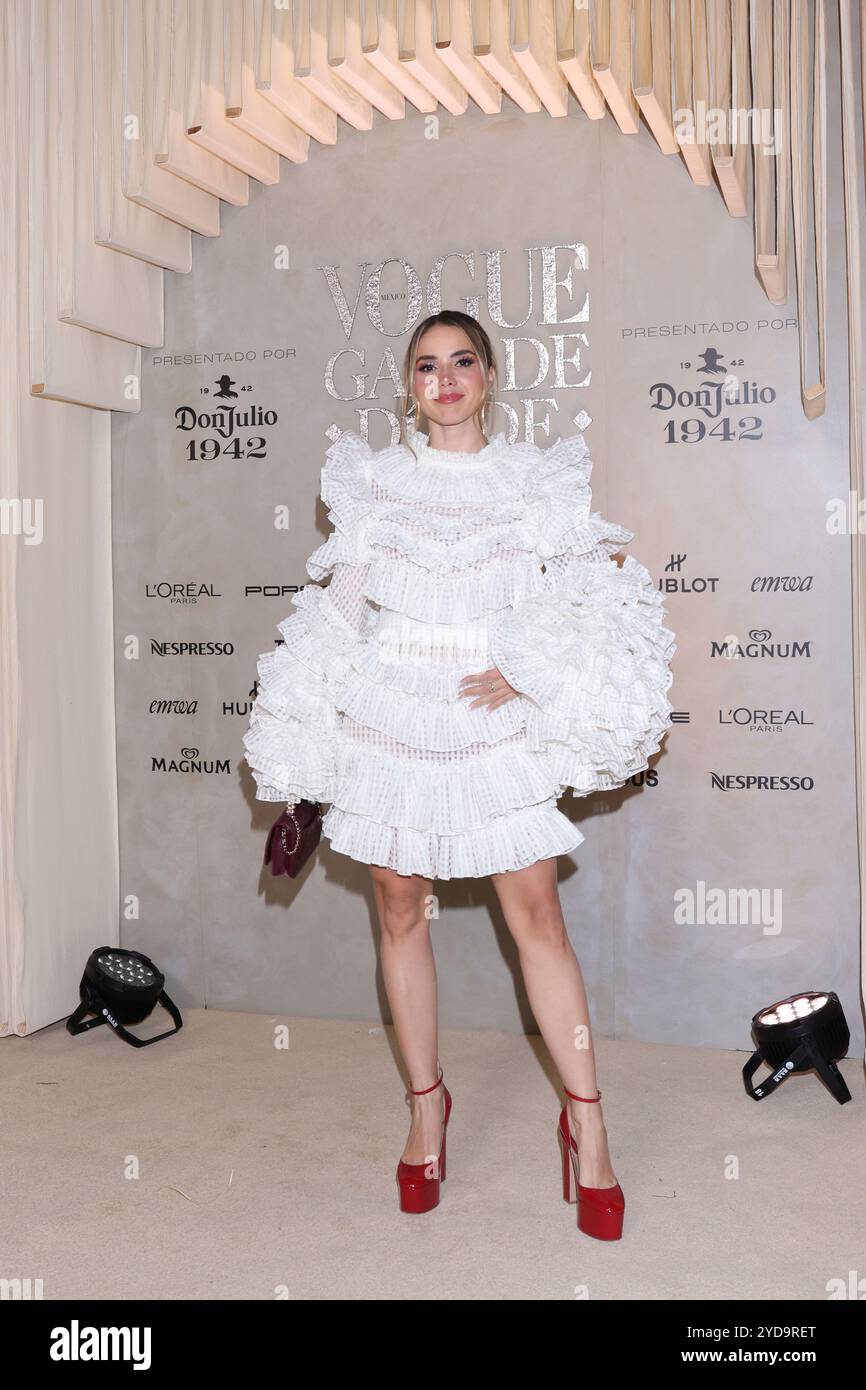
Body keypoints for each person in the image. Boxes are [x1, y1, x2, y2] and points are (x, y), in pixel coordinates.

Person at [242, 310, 676, 1237]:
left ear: (490, 376)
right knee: (400, 909)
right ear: (410, 384)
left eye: (462, 362)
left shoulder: (533, 482)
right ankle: (427, 1107)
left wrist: (531, 665)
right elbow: (341, 611)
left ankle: (588, 1125)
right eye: (427, 366)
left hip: (492, 724)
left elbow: (596, 591)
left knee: (538, 919)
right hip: (391, 720)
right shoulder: (376, 484)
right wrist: (308, 750)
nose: (445, 379)